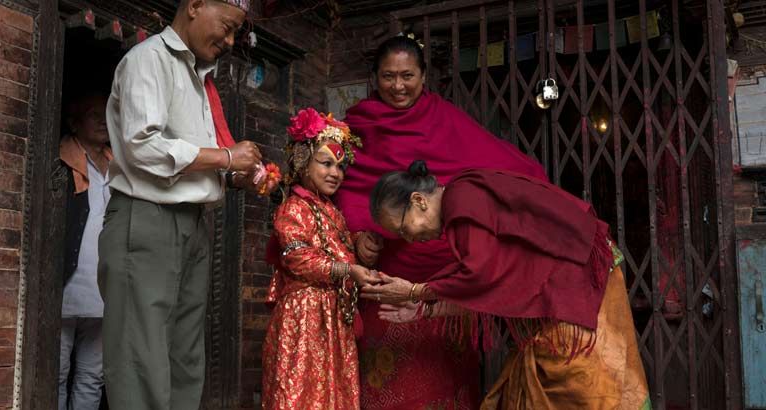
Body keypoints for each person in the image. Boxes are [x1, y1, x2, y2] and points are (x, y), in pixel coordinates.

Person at [333, 35, 548, 409]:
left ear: (424, 76)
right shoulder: (358, 126)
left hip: (443, 277)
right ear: (374, 78)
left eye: (407, 75)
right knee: (386, 383)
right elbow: (343, 187)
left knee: (443, 381)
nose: (398, 86)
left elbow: (500, 168)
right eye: (388, 76)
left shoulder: (445, 120)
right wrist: (356, 230)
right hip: (386, 274)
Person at [361, 160, 652, 410]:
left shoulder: (461, 205)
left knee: (586, 387)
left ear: (418, 201)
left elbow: (479, 276)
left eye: (402, 229)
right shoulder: (462, 196)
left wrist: (415, 291)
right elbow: (497, 284)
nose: (410, 240)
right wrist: (426, 309)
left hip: (581, 280)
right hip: (574, 278)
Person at [98, 1, 268, 409]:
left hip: (192, 222)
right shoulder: (149, 60)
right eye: (227, 28)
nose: (229, 41)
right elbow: (143, 146)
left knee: (185, 352)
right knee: (140, 354)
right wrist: (226, 158)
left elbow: (195, 156)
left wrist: (234, 174)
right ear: (194, 6)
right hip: (147, 218)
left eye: (235, 33)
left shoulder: (199, 78)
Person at [261, 108, 379, 409]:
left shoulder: (332, 211)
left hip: (333, 315)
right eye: (325, 163)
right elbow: (297, 257)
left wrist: (359, 242)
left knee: (332, 392)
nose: (334, 173)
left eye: (340, 167)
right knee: (302, 392)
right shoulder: (294, 209)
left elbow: (335, 245)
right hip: (305, 316)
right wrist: (347, 270)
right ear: (303, 163)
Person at [58, 93, 111, 410]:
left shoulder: (117, 165)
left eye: (106, 114)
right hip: (67, 287)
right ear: (74, 123)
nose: (103, 120)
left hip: (105, 288)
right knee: (56, 371)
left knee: (92, 377)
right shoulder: (60, 161)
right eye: (94, 113)